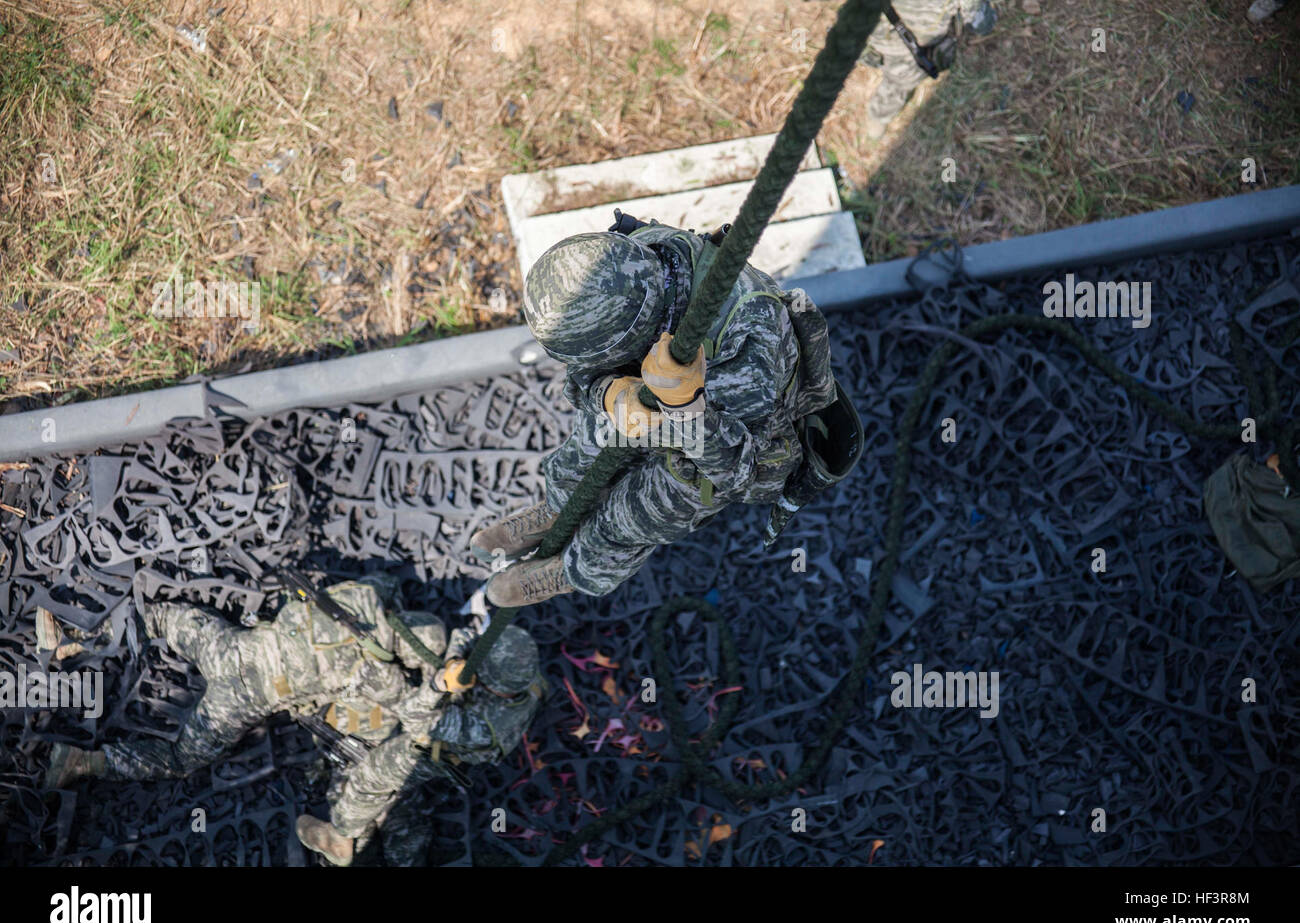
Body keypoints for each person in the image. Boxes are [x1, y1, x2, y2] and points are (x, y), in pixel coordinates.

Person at [43, 573, 546, 866]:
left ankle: (78, 638)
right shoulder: (389, 668)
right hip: (248, 691)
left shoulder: (373, 618)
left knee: (167, 620)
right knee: (179, 757)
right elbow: (410, 698)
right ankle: (85, 762)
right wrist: (437, 681)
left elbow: (419, 673)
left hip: (240, 651)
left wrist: (437, 677)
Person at [470, 215, 839, 606]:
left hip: (721, 441)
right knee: (578, 460)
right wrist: (609, 393)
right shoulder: (634, 260)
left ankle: (578, 567)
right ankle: (562, 510)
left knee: (632, 516)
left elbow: (738, 472)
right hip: (648, 395)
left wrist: (687, 409)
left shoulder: (746, 336)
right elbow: (584, 373)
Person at [861, 0, 998, 140]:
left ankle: (877, 121)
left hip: (877, 33)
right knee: (898, 84)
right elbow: (983, 25)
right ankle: (878, 118)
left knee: (896, 81)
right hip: (910, 51)